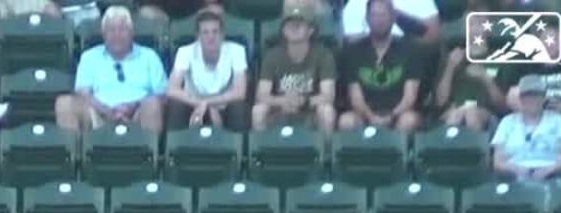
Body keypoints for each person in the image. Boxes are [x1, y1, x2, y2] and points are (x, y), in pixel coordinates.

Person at [55, 4, 168, 134]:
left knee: (152, 104)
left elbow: (162, 96)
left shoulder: (149, 56)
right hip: (98, 116)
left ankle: (148, 151)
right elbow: (82, 94)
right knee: (64, 103)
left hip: (137, 116)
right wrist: (106, 111)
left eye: (122, 29)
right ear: (103, 34)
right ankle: (73, 153)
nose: (117, 35)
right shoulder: (89, 57)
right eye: (111, 30)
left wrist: (133, 106)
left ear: (132, 32)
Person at [337, 0, 424, 133]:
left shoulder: (410, 49)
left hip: (399, 113)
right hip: (364, 114)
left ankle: (399, 153)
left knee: (408, 120)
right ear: (367, 18)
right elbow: (355, 97)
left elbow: (410, 97)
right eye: (374, 15)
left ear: (393, 17)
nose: (379, 20)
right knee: (346, 121)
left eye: (383, 15)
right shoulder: (353, 51)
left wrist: (392, 116)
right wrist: (371, 117)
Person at [252, 5, 338, 133]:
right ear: (283, 30)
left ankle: (324, 152)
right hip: (279, 110)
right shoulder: (272, 55)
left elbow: (328, 95)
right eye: (290, 24)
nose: (294, 27)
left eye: (299, 24)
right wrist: (282, 101)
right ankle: (261, 152)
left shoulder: (323, 55)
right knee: (258, 110)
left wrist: (303, 101)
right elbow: (261, 95)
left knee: (327, 111)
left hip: (310, 111)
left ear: (311, 30)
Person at [165, 9, 249, 130]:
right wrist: (200, 103)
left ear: (222, 34)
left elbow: (240, 92)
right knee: (175, 105)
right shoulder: (185, 52)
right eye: (205, 32)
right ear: (198, 36)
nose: (211, 37)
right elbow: (172, 89)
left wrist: (207, 103)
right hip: (192, 104)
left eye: (215, 32)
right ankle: (174, 145)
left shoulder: (236, 50)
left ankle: (238, 146)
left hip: (224, 105)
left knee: (239, 107)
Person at [489, 75, 561, 182]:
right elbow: (498, 162)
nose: (532, 100)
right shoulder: (507, 122)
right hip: (515, 175)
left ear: (544, 98)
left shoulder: (558, 120)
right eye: (527, 96)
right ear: (521, 99)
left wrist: (548, 170)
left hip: (551, 174)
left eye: (536, 95)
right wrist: (518, 170)